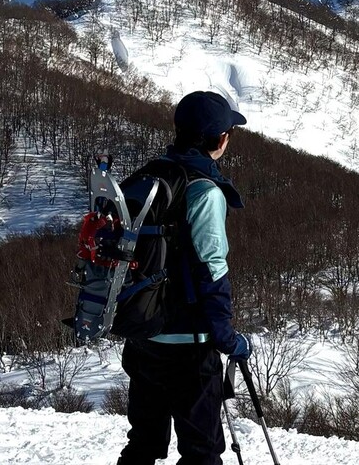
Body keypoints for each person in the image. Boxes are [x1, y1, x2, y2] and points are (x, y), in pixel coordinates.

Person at [117, 91, 252, 465]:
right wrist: (226, 337)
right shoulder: (204, 191)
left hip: (143, 336)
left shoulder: (149, 178)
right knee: (201, 452)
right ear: (220, 139)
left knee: (143, 443)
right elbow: (213, 269)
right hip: (190, 346)